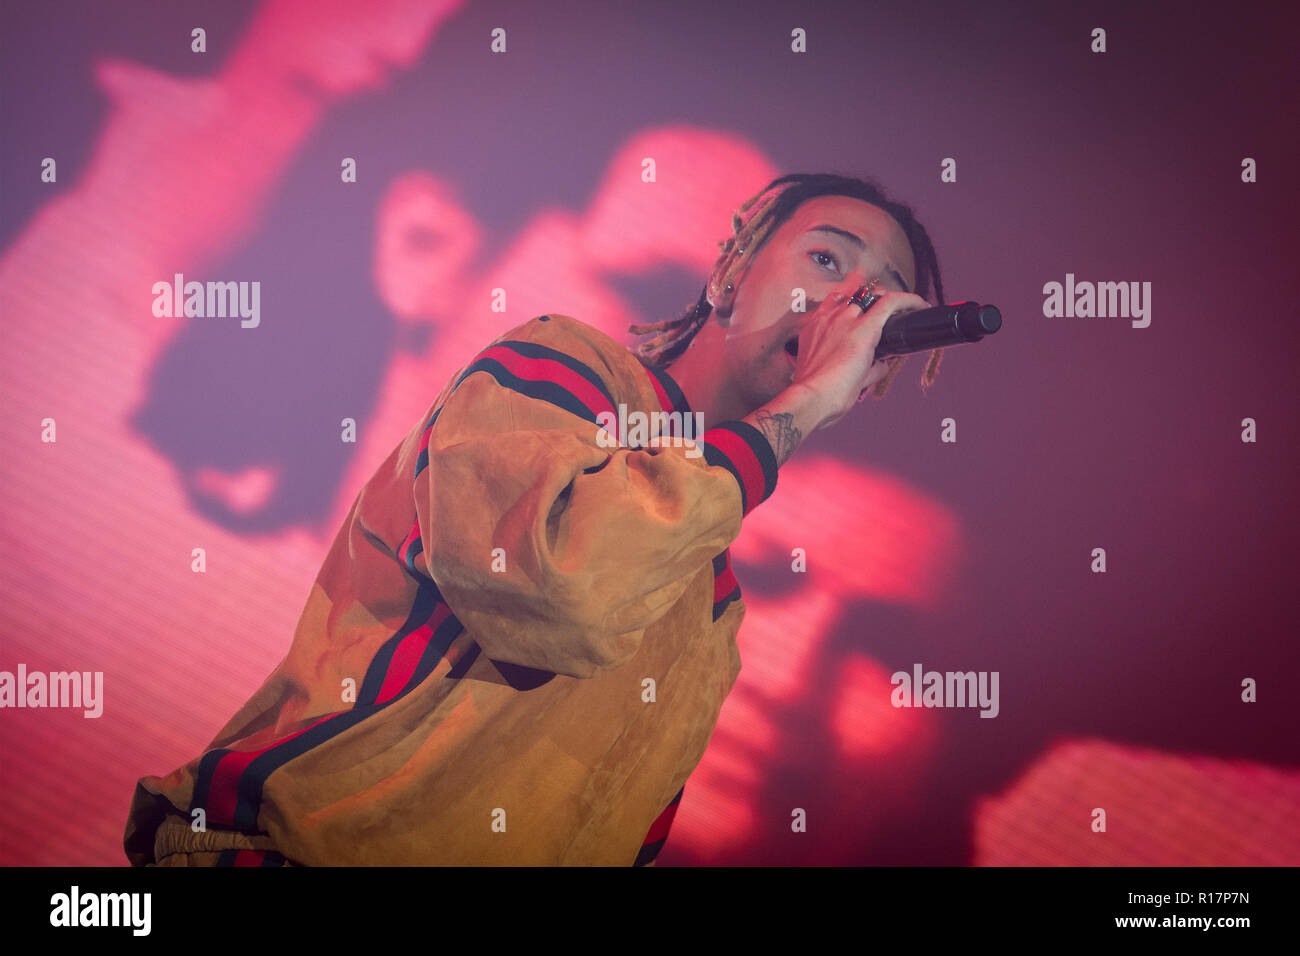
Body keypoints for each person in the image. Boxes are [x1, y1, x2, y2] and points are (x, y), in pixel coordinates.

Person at [122, 172, 946, 866]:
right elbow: (560, 589)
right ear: (730, 271)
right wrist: (798, 411)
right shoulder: (564, 374)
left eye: (877, 305)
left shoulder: (716, 607)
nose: (846, 306)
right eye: (828, 258)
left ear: (872, 377)